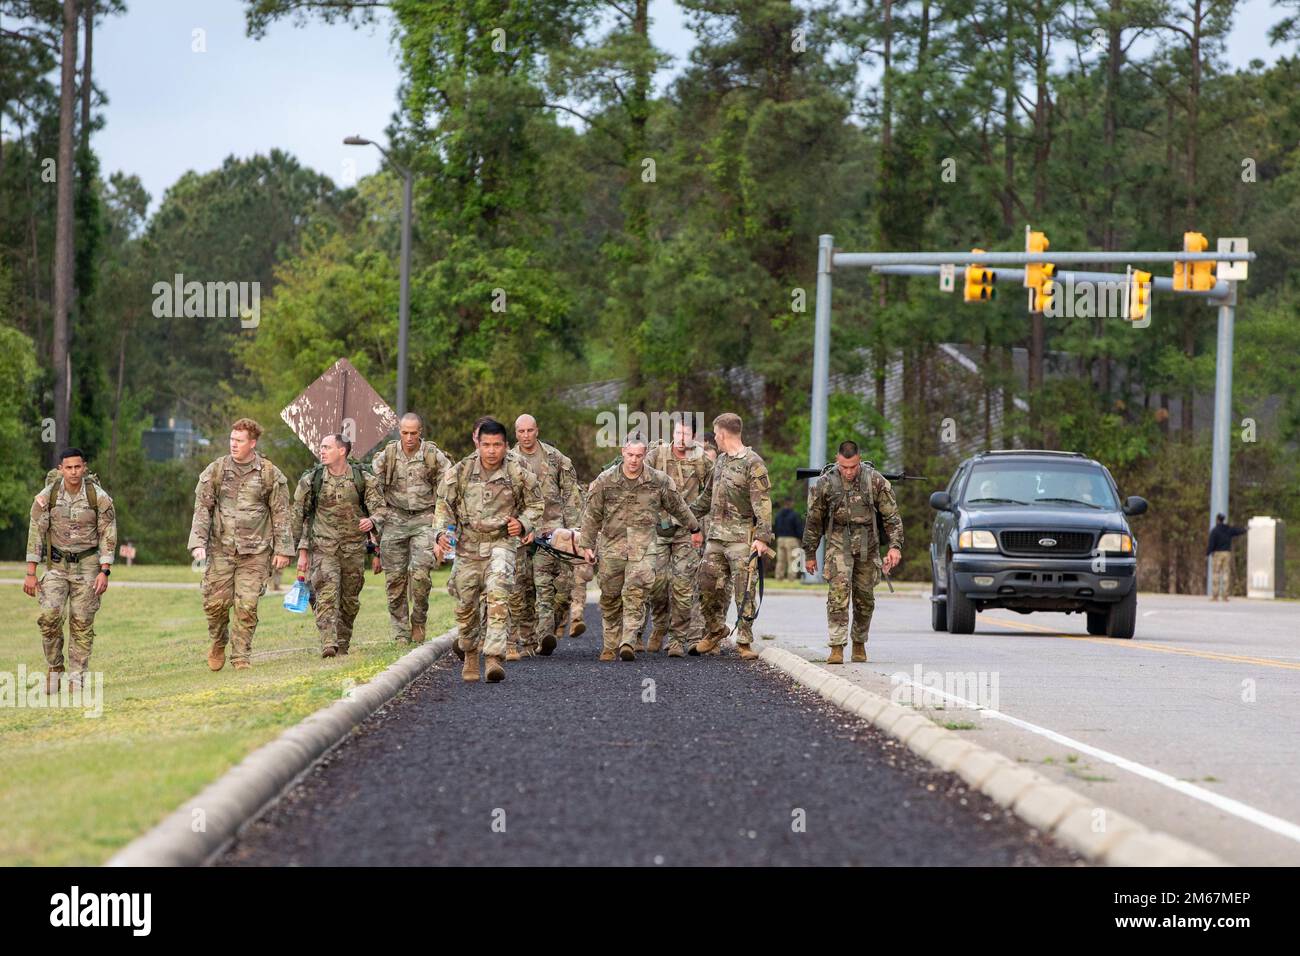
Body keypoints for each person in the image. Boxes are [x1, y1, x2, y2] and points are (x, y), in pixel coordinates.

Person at [433, 419, 543, 683]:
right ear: (477, 444)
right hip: (468, 544)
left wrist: (523, 523)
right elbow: (443, 505)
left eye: (497, 445)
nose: (491, 451)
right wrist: (440, 534)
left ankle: (494, 657)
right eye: (486, 445)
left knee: (498, 594)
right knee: (466, 605)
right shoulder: (460, 471)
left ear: (505, 446)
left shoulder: (517, 472)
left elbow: (536, 503)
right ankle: (470, 654)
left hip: (501, 542)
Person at [578, 433, 701, 662]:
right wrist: (586, 545)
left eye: (639, 456)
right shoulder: (605, 480)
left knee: (636, 592)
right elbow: (591, 516)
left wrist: (694, 528)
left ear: (645, 455)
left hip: (643, 547)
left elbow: (678, 506)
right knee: (611, 597)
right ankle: (610, 644)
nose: (634, 460)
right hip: (612, 547)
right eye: (630, 455)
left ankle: (628, 640)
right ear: (623, 452)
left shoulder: (658, 480)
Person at [188, 418, 293, 672]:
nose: (233, 445)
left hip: (255, 553)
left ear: (252, 443)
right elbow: (203, 508)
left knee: (247, 604)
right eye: (232, 440)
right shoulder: (217, 470)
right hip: (221, 550)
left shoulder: (269, 473)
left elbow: (280, 513)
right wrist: (198, 543)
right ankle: (218, 640)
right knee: (215, 605)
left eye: (239, 441)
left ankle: (241, 655)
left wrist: (282, 549)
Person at [24, 448, 117, 693]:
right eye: (69, 467)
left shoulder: (99, 497)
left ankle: (77, 676)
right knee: (48, 617)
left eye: (78, 467)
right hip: (56, 566)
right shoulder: (49, 496)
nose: (74, 472)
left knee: (82, 622)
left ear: (84, 467)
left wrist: (104, 571)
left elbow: (108, 533)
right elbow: (36, 531)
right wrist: (31, 572)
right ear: (61, 469)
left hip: (88, 566)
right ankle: (55, 668)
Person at [802, 440, 903, 664]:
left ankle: (859, 642)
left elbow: (891, 517)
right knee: (838, 594)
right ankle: (837, 646)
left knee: (864, 598)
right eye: (844, 467)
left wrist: (895, 546)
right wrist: (810, 553)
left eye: (853, 467)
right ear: (837, 460)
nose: (848, 472)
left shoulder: (874, 480)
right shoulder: (825, 484)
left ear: (859, 461)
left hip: (868, 543)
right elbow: (813, 521)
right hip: (838, 541)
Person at [687, 413, 774, 659]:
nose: (714, 438)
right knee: (705, 585)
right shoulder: (721, 462)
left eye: (715, 434)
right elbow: (706, 499)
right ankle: (715, 630)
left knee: (744, 590)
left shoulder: (753, 463)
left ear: (723, 434)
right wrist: (682, 516)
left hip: (741, 539)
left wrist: (762, 538)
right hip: (716, 538)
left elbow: (763, 504)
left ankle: (744, 642)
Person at [292, 434, 386, 657]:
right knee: (326, 592)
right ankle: (328, 642)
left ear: (342, 451)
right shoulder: (312, 480)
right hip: (324, 547)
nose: (322, 451)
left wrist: (372, 521)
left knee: (349, 601)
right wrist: (295, 550)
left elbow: (381, 510)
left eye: (327, 447)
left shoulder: (362, 479)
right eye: (321, 447)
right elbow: (298, 515)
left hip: (353, 550)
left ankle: (342, 642)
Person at [371, 412, 453, 644]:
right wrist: (375, 524)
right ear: (400, 431)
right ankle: (400, 632)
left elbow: (448, 488)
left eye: (413, 433)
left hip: (424, 519)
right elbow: (371, 488)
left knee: (420, 576)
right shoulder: (387, 455)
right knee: (394, 580)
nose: (409, 438)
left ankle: (418, 620)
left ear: (421, 432)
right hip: (394, 518)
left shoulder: (432, 456)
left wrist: (443, 526)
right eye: (405, 433)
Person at [509, 414, 582, 659]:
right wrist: (517, 527)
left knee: (562, 587)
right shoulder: (508, 460)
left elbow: (571, 495)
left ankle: (548, 631)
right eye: (522, 431)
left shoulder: (556, 458)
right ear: (516, 433)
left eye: (530, 430)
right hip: (521, 530)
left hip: (553, 530)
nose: (526, 436)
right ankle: (532, 639)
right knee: (524, 588)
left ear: (537, 431)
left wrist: (575, 532)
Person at [644, 421, 711, 655]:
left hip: (687, 531)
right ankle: (659, 625)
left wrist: (700, 522)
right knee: (657, 584)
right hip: (658, 529)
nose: (681, 437)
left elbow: (715, 488)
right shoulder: (655, 456)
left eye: (686, 433)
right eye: (678, 432)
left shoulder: (702, 460)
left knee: (683, 587)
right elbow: (635, 478)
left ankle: (677, 639)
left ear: (694, 436)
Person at [1207, 513, 1247, 602]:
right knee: (1225, 573)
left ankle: (1215, 596)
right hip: (1227, 553)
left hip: (1217, 554)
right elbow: (1237, 531)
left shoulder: (1215, 530)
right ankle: (1225, 596)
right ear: (1223, 520)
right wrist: (1245, 529)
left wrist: (1208, 553)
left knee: (1216, 574)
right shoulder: (1228, 529)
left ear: (1217, 520)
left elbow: (1211, 543)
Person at [773, 498, 805, 581]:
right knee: (792, 560)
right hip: (792, 539)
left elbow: (775, 527)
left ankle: (779, 577)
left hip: (780, 539)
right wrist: (801, 538)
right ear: (790, 503)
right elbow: (799, 528)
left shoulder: (778, 515)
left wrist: (777, 536)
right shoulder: (794, 515)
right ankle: (791, 578)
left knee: (780, 560)